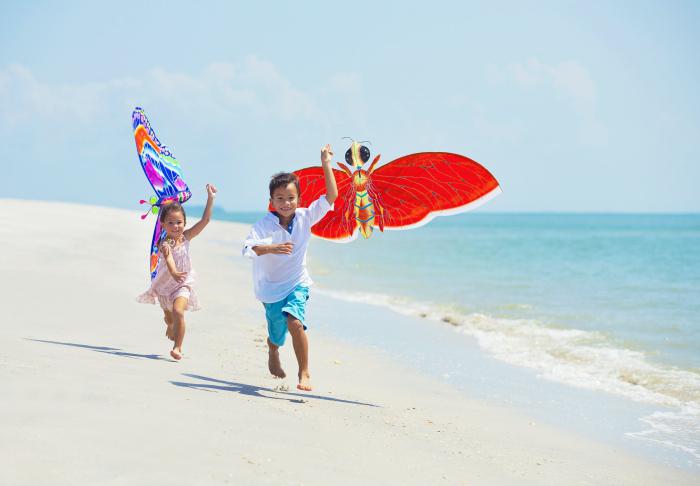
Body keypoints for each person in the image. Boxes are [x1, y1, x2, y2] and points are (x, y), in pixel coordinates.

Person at [243, 145, 338, 391]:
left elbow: (331, 197)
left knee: (295, 322)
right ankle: (273, 348)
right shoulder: (264, 224)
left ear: (299, 199)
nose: (286, 203)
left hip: (297, 282)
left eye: (291, 198)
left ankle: (304, 372)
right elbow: (248, 249)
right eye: (280, 198)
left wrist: (326, 163)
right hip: (271, 289)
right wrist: (272, 248)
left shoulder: (306, 216)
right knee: (277, 331)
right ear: (272, 201)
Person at [138, 184, 217, 360]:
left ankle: (178, 347)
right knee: (169, 318)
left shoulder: (187, 237)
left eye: (179, 222)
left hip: (183, 283)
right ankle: (170, 324)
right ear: (163, 224)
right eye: (171, 223)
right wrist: (173, 272)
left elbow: (205, 221)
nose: (175, 226)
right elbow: (169, 260)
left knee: (178, 311)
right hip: (165, 285)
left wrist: (210, 198)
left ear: (185, 223)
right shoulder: (164, 244)